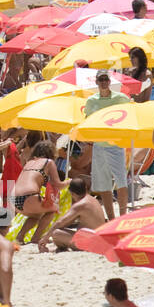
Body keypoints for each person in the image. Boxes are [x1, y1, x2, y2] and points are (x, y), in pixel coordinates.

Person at [82, 71, 131, 219]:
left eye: (105, 79)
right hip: (98, 146)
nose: (103, 82)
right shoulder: (91, 101)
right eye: (100, 79)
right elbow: (88, 121)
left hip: (116, 144)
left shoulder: (121, 98)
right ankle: (111, 218)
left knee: (122, 181)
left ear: (109, 82)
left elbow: (129, 115)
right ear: (96, 82)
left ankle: (122, 216)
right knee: (103, 185)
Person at [39, 178, 106, 251]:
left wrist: (45, 238)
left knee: (56, 233)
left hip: (91, 242)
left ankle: (63, 247)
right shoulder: (93, 200)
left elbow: (60, 222)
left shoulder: (80, 205)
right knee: (59, 231)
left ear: (72, 193)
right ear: (85, 188)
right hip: (100, 239)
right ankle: (63, 247)